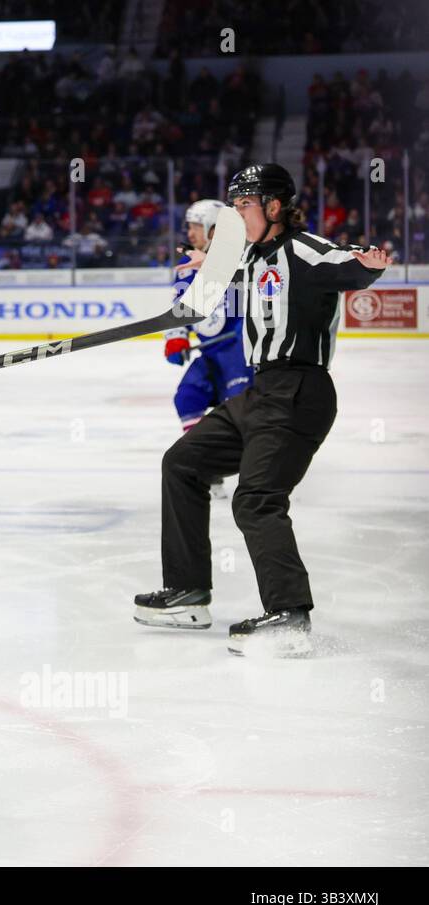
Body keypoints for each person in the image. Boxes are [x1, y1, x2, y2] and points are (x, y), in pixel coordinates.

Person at [134, 164, 390, 657]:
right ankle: (188, 591)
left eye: (246, 205)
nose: (238, 214)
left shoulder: (304, 249)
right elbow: (209, 292)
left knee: (255, 498)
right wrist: (195, 279)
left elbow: (352, 266)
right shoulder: (247, 254)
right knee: (183, 463)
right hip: (260, 391)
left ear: (275, 207)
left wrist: (368, 262)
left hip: (300, 390)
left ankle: (289, 617)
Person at [161, 198, 253, 499]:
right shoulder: (187, 269)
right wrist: (176, 337)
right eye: (188, 226)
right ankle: (207, 467)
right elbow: (178, 308)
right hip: (210, 352)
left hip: (239, 351)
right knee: (187, 397)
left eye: (195, 226)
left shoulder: (240, 260)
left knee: (240, 407)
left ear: (213, 230)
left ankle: (257, 473)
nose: (189, 232)